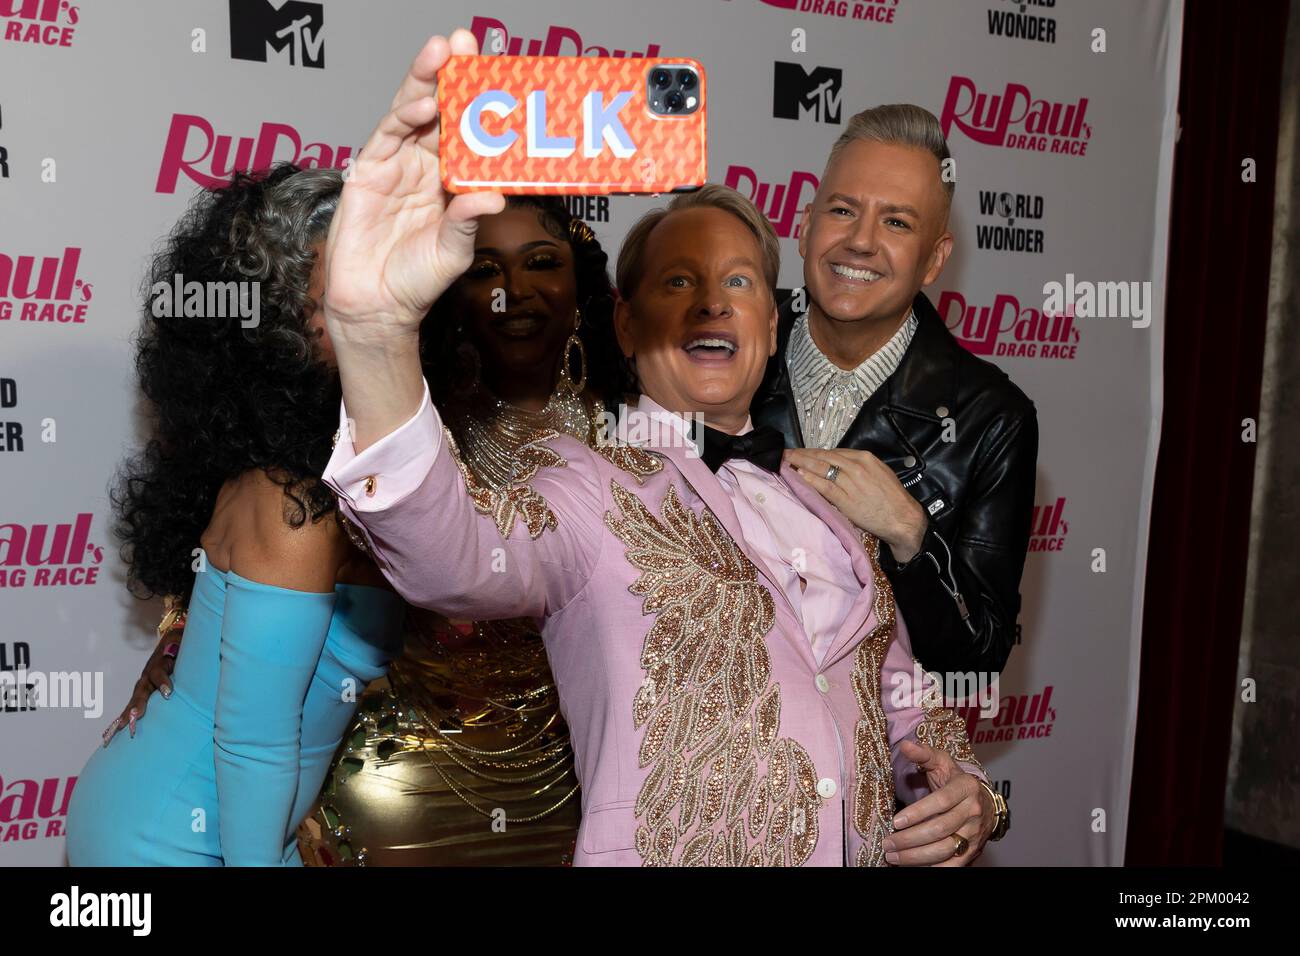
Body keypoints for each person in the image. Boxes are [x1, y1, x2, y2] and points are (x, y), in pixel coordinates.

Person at [318, 29, 1006, 866]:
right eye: (680, 281)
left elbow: (906, 703)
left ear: (772, 320)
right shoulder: (584, 481)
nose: (713, 302)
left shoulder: (833, 496)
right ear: (626, 322)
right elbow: (448, 557)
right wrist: (376, 335)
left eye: (740, 281)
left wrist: (963, 784)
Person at [65, 165, 406, 866]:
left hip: (248, 832)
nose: (383, 299)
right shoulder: (291, 501)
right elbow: (252, 745)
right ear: (285, 327)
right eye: (344, 284)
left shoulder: (366, 470)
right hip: (167, 838)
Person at [297, 196, 626, 866]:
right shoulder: (410, 433)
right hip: (411, 764)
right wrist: (185, 640)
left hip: (587, 771)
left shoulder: (634, 433)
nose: (517, 290)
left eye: (542, 263)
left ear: (581, 285)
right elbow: (292, 558)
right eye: (484, 270)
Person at [752, 105, 1038, 679]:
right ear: (805, 225)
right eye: (842, 210)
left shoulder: (992, 419)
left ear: (934, 259)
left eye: (897, 223)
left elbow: (977, 663)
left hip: (868, 749)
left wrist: (910, 535)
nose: (860, 242)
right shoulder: (723, 343)